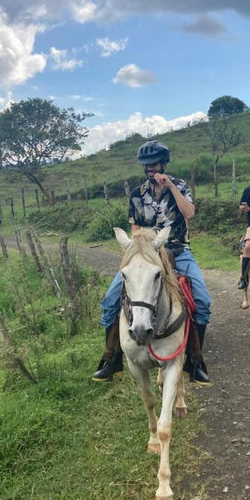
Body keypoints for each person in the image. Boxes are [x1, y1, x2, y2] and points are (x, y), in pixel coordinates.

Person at [92, 140, 212, 384]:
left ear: (164, 163)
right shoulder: (137, 194)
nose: (150, 168)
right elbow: (135, 229)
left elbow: (189, 213)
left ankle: (194, 361)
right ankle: (111, 359)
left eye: (154, 164)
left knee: (202, 301)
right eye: (146, 165)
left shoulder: (179, 185)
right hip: (145, 256)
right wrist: (139, 251)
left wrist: (170, 187)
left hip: (178, 251)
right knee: (110, 301)